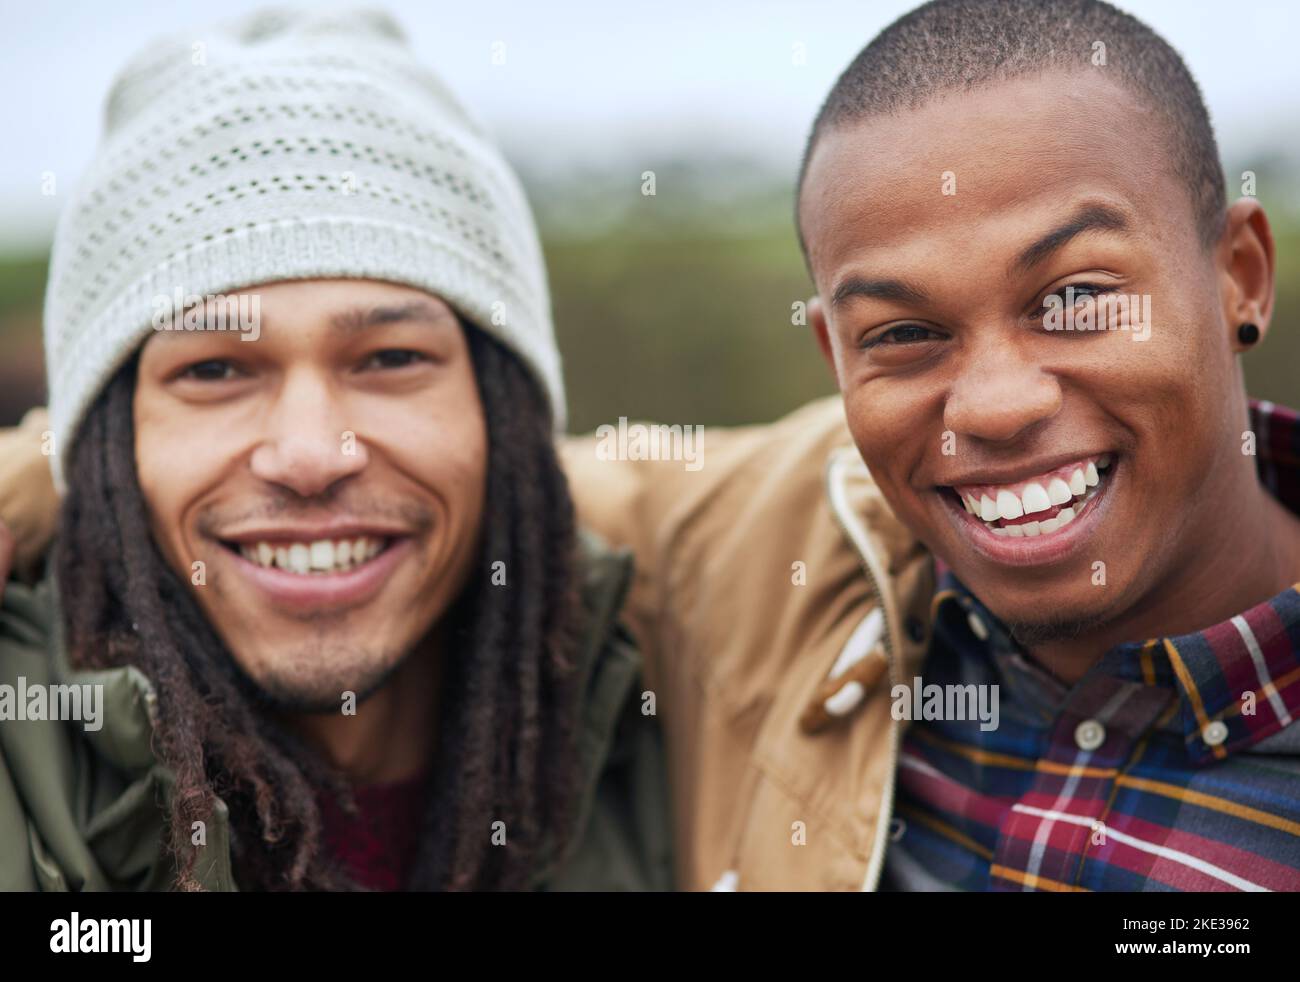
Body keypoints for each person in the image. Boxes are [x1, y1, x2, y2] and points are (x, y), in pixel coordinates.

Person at [0, 8, 670, 892]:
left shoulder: (674, 705)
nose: (312, 455)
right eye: (213, 370)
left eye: (391, 359)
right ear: (104, 448)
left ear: (506, 417)